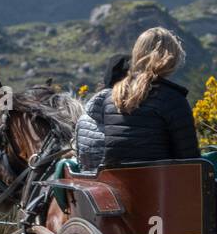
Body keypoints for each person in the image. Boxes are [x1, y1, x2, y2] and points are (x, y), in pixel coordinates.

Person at [78, 27, 199, 167]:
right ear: (171, 58)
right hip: (160, 185)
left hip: (117, 184)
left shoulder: (113, 96)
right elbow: (191, 161)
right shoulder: (173, 99)